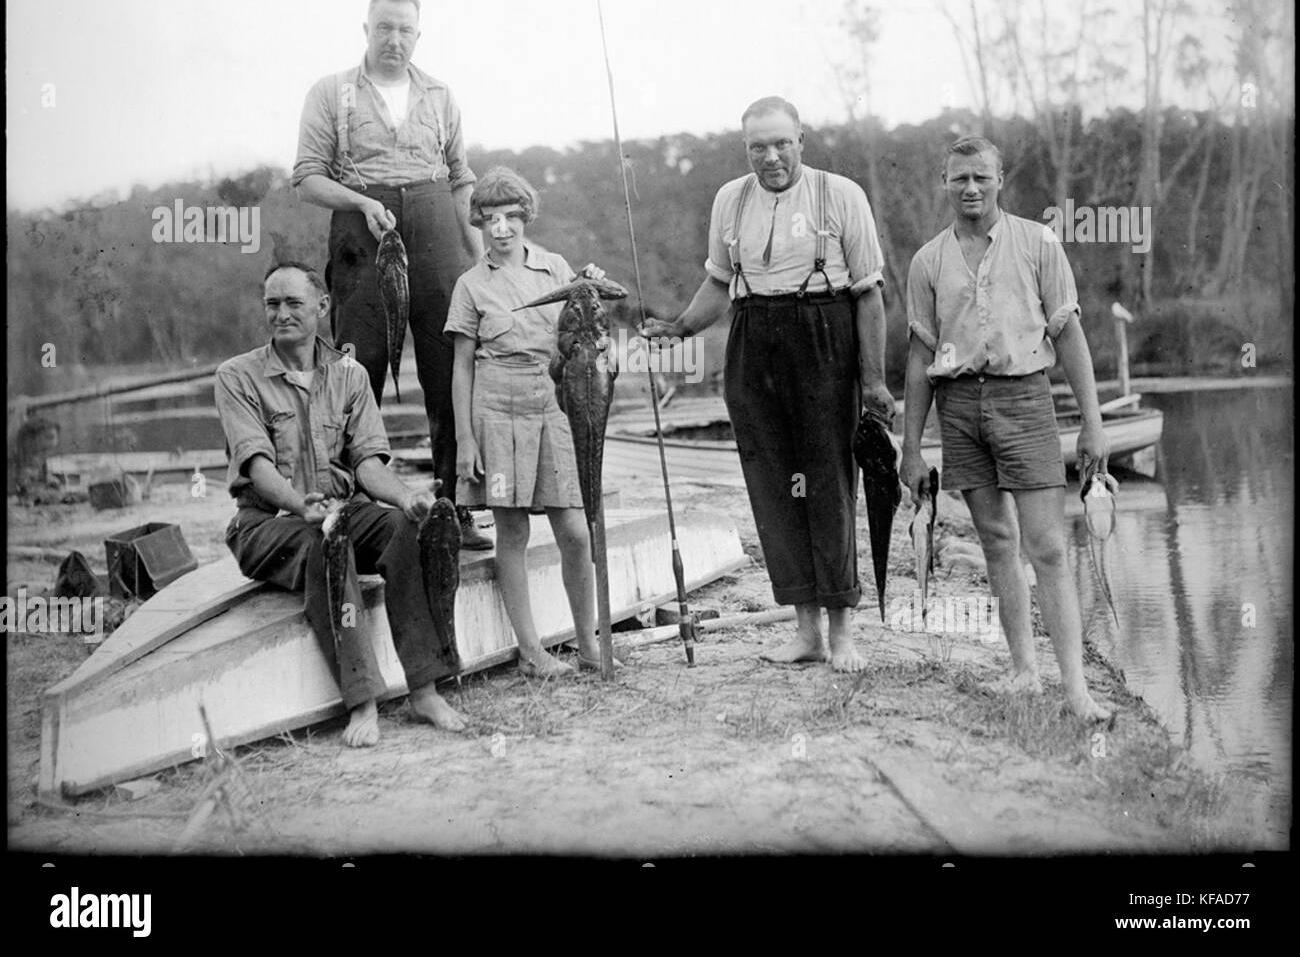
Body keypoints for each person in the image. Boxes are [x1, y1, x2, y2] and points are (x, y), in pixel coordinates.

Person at [642, 97, 893, 673]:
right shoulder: (731, 200)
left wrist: (874, 380)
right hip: (754, 339)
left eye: (782, 143)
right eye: (758, 146)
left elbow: (869, 295)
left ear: (802, 139)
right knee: (776, 484)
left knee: (827, 481)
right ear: (745, 148)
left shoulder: (841, 194)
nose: (772, 156)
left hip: (823, 338)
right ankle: (804, 628)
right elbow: (718, 282)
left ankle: (842, 632)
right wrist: (680, 327)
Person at [900, 135, 1113, 722]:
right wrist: (911, 447)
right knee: (996, 540)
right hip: (960, 406)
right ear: (945, 184)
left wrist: (1093, 426)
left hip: (1026, 401)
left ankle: (1077, 690)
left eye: (982, 178)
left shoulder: (1039, 242)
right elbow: (919, 359)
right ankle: (1024, 670)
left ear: (1000, 180)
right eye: (959, 178)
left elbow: (1068, 334)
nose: (971, 189)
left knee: (1046, 545)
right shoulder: (927, 262)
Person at [215, 260, 468, 747]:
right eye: (272, 304)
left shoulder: (349, 375)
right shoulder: (237, 376)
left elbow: (369, 466)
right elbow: (257, 466)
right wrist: (298, 503)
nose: (281, 314)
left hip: (340, 510)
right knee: (328, 539)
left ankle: (425, 688)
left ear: (323, 306)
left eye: (293, 303)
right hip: (269, 524)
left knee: (405, 528)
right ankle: (362, 701)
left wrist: (410, 497)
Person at [291, 0, 491, 549]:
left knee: (450, 362)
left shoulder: (441, 95)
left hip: (436, 231)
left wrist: (477, 257)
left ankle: (456, 504)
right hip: (362, 231)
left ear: (417, 36)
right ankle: (351, 511)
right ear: (366, 29)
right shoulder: (331, 93)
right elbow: (306, 177)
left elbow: (460, 175)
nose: (394, 40)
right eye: (384, 28)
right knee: (357, 369)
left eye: (405, 30)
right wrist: (359, 203)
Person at [444, 167, 609, 677]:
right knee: (510, 533)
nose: (501, 228)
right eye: (490, 219)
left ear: (525, 218)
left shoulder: (558, 267)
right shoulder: (471, 284)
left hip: (554, 401)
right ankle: (531, 652)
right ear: (478, 224)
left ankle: (588, 645)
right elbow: (461, 366)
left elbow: (586, 336)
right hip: (497, 409)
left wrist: (593, 293)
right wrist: (465, 440)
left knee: (576, 532)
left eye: (512, 217)